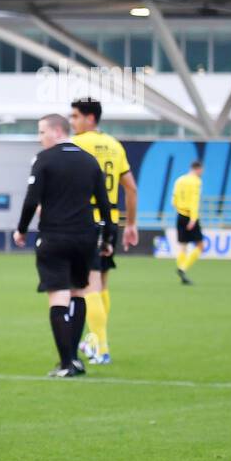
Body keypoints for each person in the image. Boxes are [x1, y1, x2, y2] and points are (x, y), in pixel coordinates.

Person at [13, 114, 113, 378]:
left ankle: (66, 362)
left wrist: (21, 230)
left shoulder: (44, 159)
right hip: (85, 239)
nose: (40, 137)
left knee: (58, 297)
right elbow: (104, 205)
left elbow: (31, 200)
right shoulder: (89, 161)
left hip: (54, 238)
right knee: (79, 293)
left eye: (42, 131)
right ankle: (75, 361)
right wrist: (108, 240)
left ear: (57, 131)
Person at [70, 97, 137, 365]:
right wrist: (131, 224)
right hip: (109, 223)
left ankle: (101, 346)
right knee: (102, 285)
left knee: (89, 287)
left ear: (90, 118)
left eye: (75, 116)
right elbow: (130, 187)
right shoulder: (114, 145)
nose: (72, 121)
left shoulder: (76, 145)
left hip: (85, 223)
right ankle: (99, 341)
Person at [171, 160, 204, 285]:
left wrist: (180, 209)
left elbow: (173, 200)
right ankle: (182, 268)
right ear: (198, 169)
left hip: (180, 215)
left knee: (183, 246)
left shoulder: (179, 180)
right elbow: (195, 201)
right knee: (200, 245)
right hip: (190, 216)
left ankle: (182, 275)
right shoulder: (196, 181)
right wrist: (193, 219)